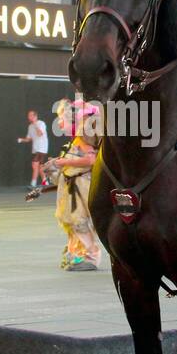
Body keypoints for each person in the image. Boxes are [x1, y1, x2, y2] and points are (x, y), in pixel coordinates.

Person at [53, 102, 103, 271]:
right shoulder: (78, 137)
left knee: (78, 220)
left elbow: (91, 160)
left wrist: (63, 162)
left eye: (61, 119)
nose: (59, 123)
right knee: (74, 221)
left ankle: (91, 255)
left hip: (81, 187)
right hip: (76, 186)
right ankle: (78, 252)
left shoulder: (82, 136)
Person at [17, 108, 48, 189]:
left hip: (42, 148)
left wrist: (35, 124)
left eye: (31, 115)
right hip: (35, 149)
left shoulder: (41, 123)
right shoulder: (30, 126)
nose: (29, 117)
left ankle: (33, 184)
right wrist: (21, 140)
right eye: (28, 115)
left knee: (35, 165)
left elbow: (40, 133)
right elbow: (29, 139)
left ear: (35, 116)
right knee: (40, 167)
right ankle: (46, 182)